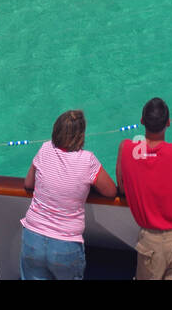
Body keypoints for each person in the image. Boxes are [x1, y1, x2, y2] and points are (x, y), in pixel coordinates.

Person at [20, 109, 116, 280]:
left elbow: (28, 183)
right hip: (65, 244)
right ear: (80, 136)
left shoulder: (44, 149)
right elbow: (110, 191)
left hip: (32, 238)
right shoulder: (88, 160)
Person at [116, 96, 172, 280]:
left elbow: (123, 188)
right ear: (168, 123)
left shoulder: (125, 149)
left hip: (149, 244)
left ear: (142, 122)